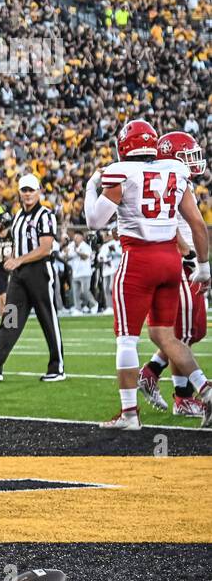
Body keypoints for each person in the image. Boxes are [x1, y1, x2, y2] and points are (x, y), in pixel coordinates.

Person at [86, 121, 212, 429]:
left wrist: (92, 186)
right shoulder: (175, 172)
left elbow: (93, 220)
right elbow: (197, 223)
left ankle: (130, 415)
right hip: (170, 261)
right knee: (166, 335)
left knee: (127, 339)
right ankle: (207, 392)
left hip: (139, 259)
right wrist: (205, 266)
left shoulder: (120, 172)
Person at [139, 132, 210, 418]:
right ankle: (185, 395)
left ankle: (153, 372)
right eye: (187, 155)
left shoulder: (170, 179)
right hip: (179, 263)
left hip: (178, 261)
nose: (193, 161)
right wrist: (193, 258)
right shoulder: (171, 180)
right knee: (182, 332)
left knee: (191, 331)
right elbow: (178, 224)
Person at [0, 175, 66, 382]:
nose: (27, 193)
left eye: (31, 190)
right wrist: (12, 258)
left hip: (39, 272)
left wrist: (18, 260)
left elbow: (45, 248)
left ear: (39, 191)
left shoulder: (45, 215)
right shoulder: (18, 217)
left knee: (48, 319)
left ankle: (57, 367)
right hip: (19, 276)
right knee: (10, 319)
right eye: (24, 190)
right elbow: (17, 243)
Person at [66, 233, 95, 313]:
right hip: (75, 272)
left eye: (77, 238)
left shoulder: (86, 247)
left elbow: (85, 257)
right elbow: (67, 258)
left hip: (85, 272)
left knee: (85, 291)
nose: (75, 239)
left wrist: (77, 252)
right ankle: (77, 308)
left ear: (81, 238)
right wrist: (67, 253)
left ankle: (94, 304)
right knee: (76, 292)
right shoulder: (72, 246)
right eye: (74, 238)